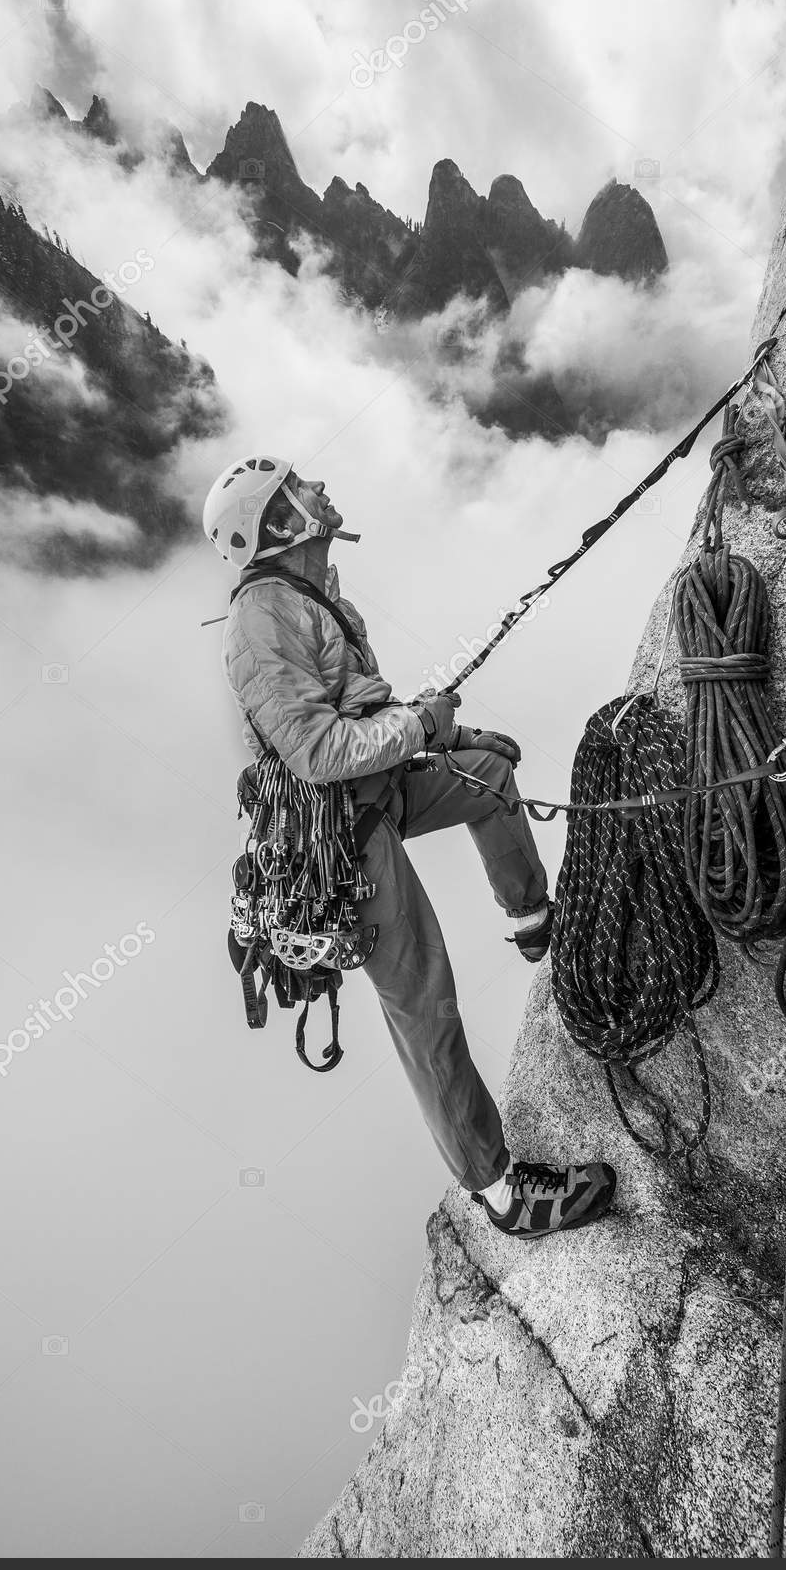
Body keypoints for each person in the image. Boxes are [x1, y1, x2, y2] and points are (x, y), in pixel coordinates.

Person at [205, 454, 616, 1238]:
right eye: (299, 490)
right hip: (337, 836)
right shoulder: (262, 619)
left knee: (488, 770)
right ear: (279, 523)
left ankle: (534, 920)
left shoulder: (313, 594)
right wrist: (425, 727)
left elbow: (365, 711)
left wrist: (451, 736)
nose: (320, 489)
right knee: (422, 998)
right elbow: (319, 752)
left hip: (373, 792)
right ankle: (496, 1190)